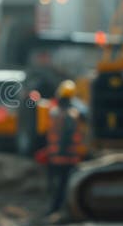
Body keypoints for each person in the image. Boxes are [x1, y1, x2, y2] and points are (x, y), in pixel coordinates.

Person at [37, 80, 87, 215]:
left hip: (54, 158)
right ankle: (63, 210)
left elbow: (44, 134)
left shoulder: (52, 113)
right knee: (65, 187)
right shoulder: (74, 114)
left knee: (55, 187)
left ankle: (54, 209)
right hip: (69, 158)